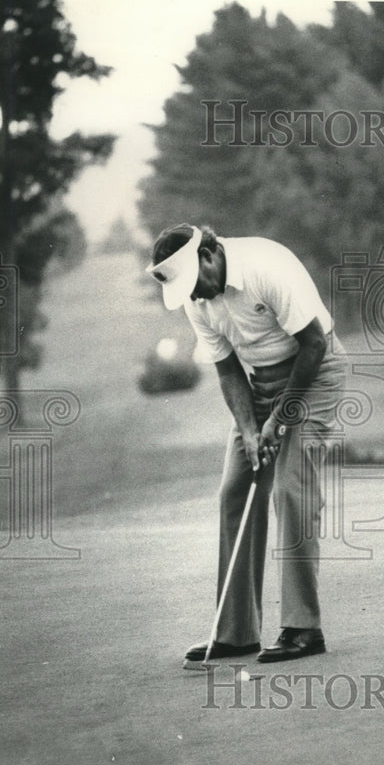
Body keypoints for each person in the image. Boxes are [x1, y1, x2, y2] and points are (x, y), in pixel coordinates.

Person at [147, 223, 346, 663]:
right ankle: (236, 632)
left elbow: (313, 344)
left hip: (315, 374)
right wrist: (252, 430)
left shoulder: (265, 266)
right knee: (236, 489)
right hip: (260, 384)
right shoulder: (197, 301)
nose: (196, 296)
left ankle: (303, 629)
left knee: (292, 490)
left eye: (195, 283)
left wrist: (279, 419)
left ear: (209, 255)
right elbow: (227, 370)